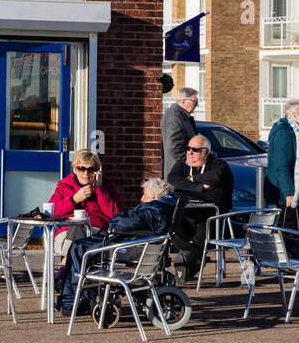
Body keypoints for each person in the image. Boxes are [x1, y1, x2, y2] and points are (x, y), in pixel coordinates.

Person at [59, 178, 177, 313]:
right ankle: (79, 297)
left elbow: (122, 222)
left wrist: (115, 220)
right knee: (81, 246)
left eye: (144, 194)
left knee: (78, 248)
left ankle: (73, 301)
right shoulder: (163, 207)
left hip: (127, 247)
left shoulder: (154, 209)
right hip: (131, 242)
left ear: (154, 195)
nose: (142, 198)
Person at [165, 133, 234, 268]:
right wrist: (201, 187)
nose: (190, 153)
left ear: (206, 152)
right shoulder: (181, 165)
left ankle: (189, 264)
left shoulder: (219, 165)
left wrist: (193, 179)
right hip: (187, 213)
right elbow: (174, 181)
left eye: (195, 150)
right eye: (188, 148)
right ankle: (191, 255)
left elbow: (216, 180)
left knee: (202, 235)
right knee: (169, 225)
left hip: (211, 215)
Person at [49, 149, 122, 264]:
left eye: (90, 169)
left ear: (97, 171)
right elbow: (52, 212)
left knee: (82, 233)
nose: (85, 174)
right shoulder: (64, 186)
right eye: (81, 168)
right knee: (77, 227)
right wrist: (74, 200)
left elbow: (116, 215)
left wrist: (99, 190)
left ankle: (65, 267)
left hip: (95, 231)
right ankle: (71, 268)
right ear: (74, 169)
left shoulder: (106, 186)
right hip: (67, 231)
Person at [266, 99, 299, 224]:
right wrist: (289, 192)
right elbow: (282, 165)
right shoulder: (284, 133)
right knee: (290, 228)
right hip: (286, 195)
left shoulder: (295, 131)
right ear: (291, 115)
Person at [161, 87, 199, 174]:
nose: (197, 105)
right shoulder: (175, 116)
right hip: (180, 174)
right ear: (183, 101)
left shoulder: (181, 116)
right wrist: (192, 162)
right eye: (195, 101)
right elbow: (174, 147)